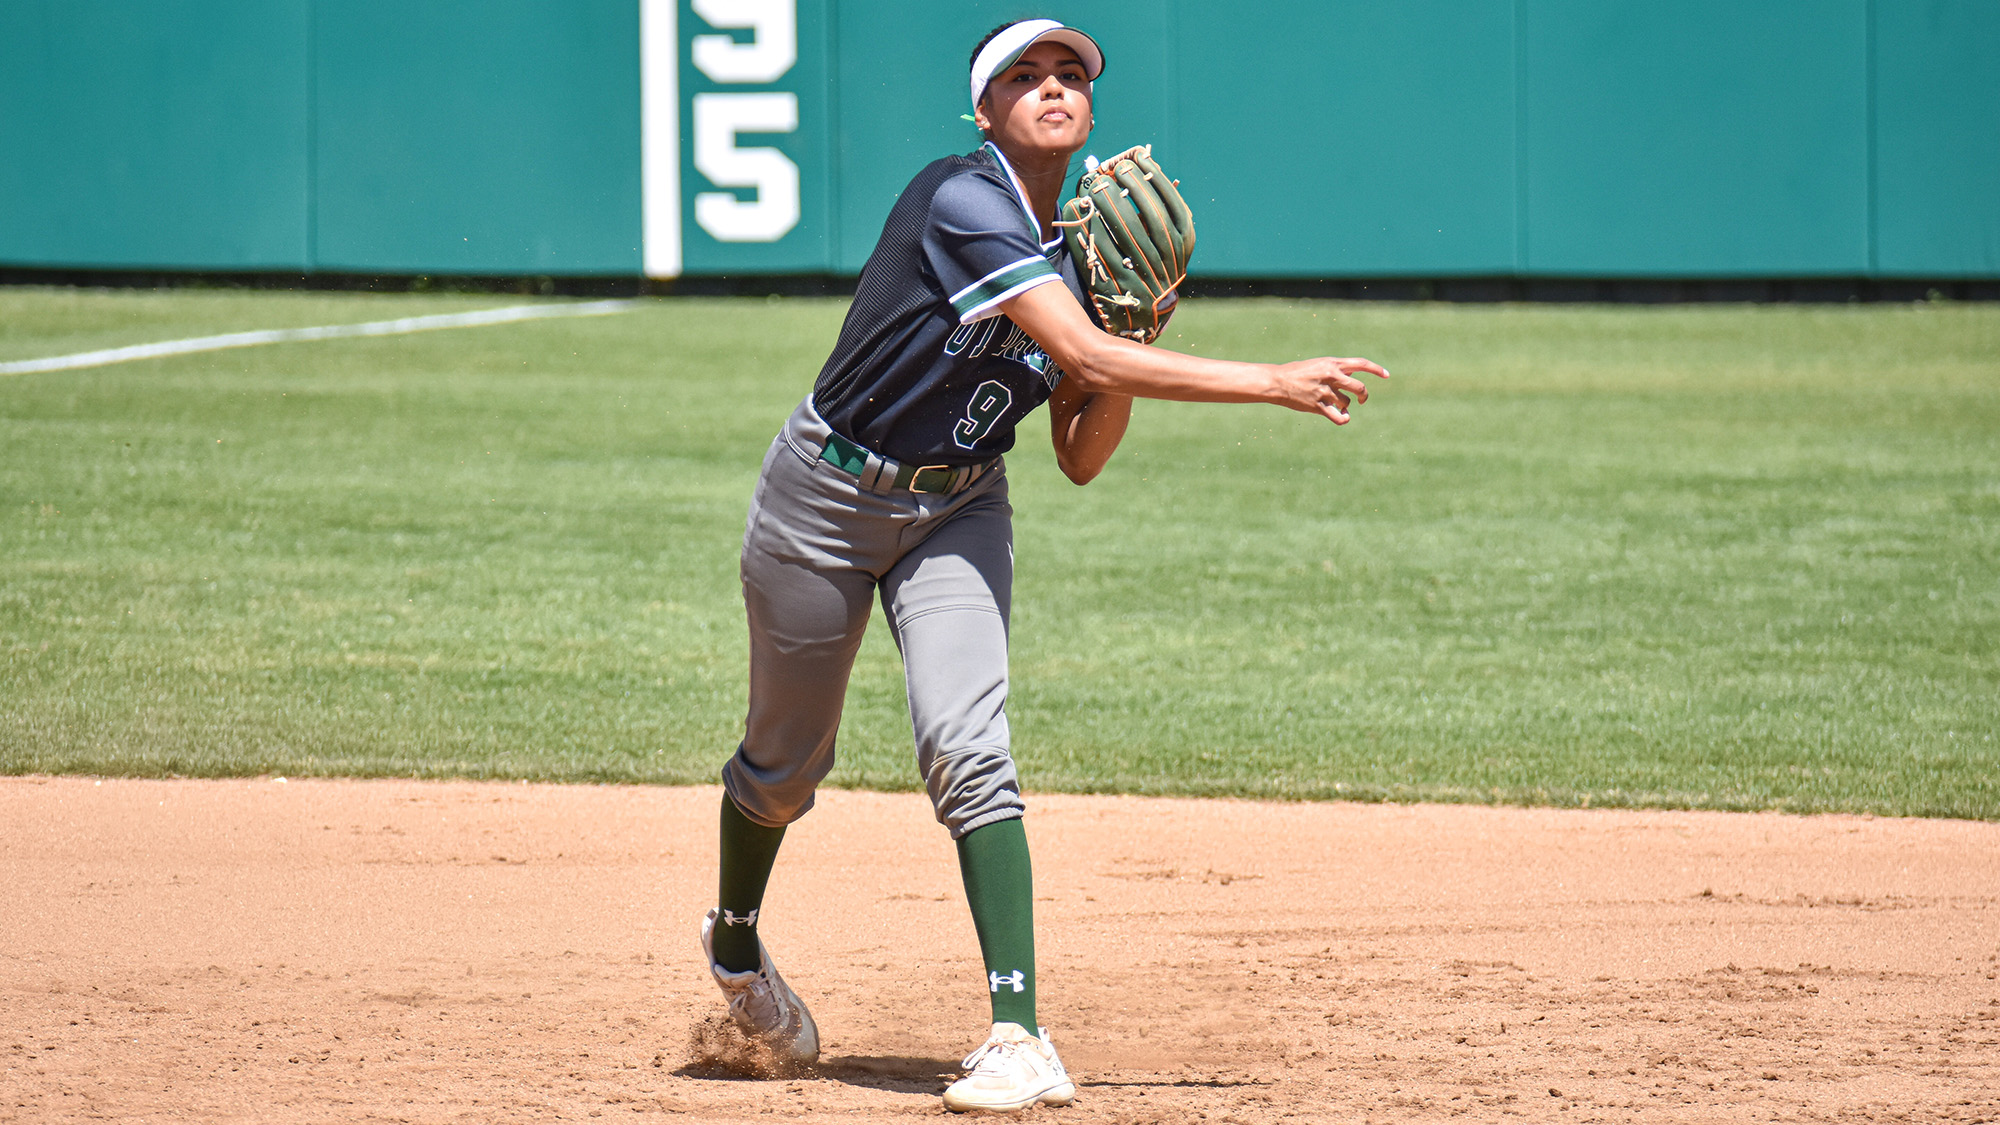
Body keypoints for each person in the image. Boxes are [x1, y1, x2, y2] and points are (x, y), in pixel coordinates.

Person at [698, 17, 1389, 1114]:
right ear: (985, 112)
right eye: (1024, 75)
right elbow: (1072, 352)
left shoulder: (1080, 260)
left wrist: (1137, 321)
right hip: (823, 499)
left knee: (968, 748)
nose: (1052, 86)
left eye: (1070, 73)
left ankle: (1017, 1032)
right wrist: (1265, 378)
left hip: (958, 505)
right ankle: (734, 946)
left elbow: (1077, 453)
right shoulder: (957, 197)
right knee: (783, 771)